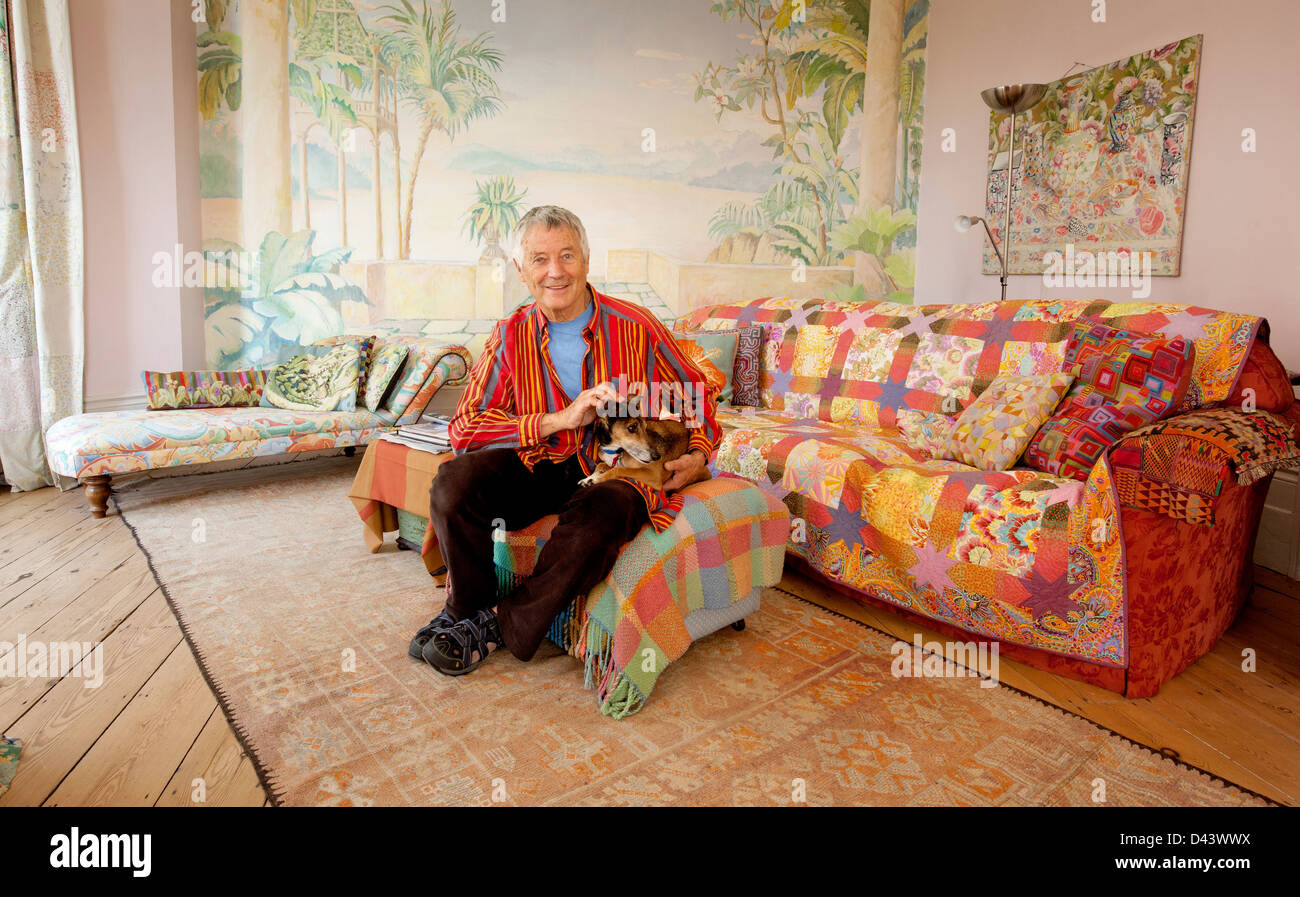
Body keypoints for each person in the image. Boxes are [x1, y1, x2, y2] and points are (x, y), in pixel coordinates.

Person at [413, 205, 721, 675]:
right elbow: (465, 428)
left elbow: (696, 393)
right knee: (452, 482)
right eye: (539, 259)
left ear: (586, 260)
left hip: (615, 470)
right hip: (540, 462)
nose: (554, 272)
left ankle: (501, 624)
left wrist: (699, 452)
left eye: (566, 256)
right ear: (521, 270)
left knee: (605, 514)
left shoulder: (635, 325)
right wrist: (558, 420)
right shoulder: (510, 335)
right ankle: (466, 612)